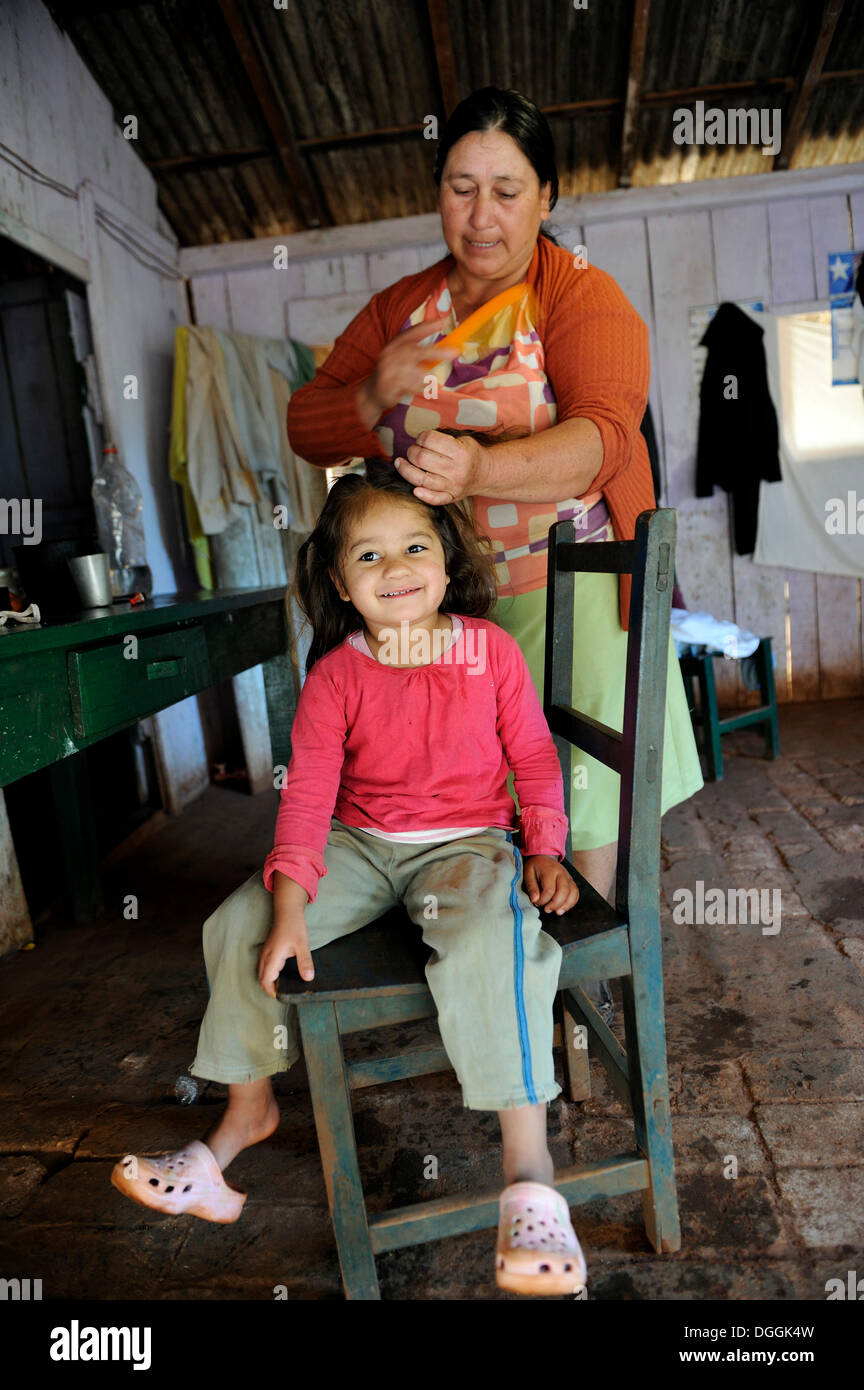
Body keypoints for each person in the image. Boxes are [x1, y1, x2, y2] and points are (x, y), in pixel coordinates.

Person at [112, 468, 588, 1297]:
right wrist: (290, 905)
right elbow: (307, 798)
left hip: (467, 846)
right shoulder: (335, 674)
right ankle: (242, 1117)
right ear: (340, 582)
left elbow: (536, 759)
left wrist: (544, 846)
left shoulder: (492, 653)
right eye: (368, 554)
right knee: (236, 926)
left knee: (491, 939)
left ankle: (530, 1178)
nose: (396, 566)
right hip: (359, 846)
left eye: (414, 545)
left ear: (445, 559)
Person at [287, 87, 703, 933]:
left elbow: (605, 438)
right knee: (471, 797)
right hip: (446, 608)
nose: (481, 216)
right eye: (460, 186)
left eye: (508, 190)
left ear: (547, 197)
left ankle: (581, 966)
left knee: (580, 796)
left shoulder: (581, 296)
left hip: (572, 585)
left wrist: (479, 466)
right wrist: (369, 392)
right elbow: (304, 422)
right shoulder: (401, 309)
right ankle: (499, 959)